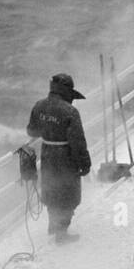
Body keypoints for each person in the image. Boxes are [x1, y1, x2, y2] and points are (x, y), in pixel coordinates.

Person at [27, 73, 92, 241]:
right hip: (66, 157)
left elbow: (31, 131)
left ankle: (53, 225)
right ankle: (61, 234)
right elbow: (77, 141)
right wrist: (85, 164)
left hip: (47, 153)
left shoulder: (39, 106)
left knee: (51, 190)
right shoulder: (70, 111)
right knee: (68, 194)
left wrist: (48, 129)